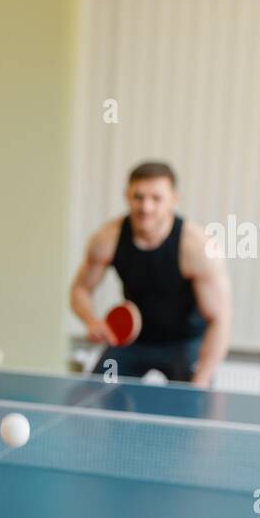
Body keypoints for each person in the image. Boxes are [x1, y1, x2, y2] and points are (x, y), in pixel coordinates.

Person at [69, 161, 231, 387]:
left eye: (156, 198)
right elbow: (81, 289)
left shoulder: (196, 247)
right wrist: (91, 321)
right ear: (127, 195)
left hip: (183, 344)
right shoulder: (107, 239)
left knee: (193, 411)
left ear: (174, 199)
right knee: (91, 397)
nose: (146, 207)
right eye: (139, 197)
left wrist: (202, 379)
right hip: (132, 342)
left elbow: (219, 319)